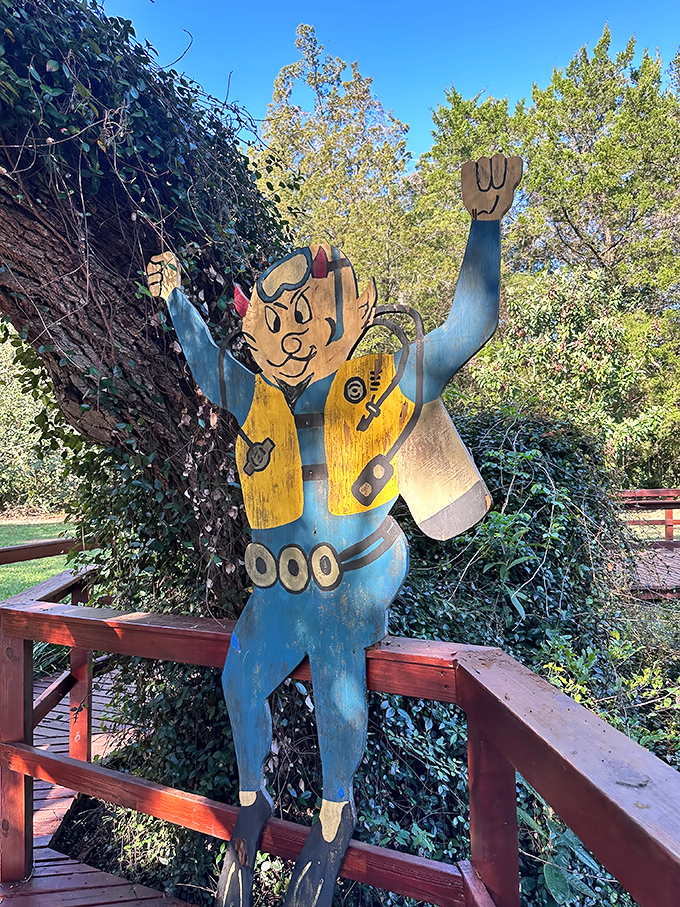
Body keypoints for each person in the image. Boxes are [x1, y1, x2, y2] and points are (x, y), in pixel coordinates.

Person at [147, 153, 522, 907]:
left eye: (301, 316)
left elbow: (467, 327)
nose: (286, 335)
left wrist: (485, 225)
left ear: (349, 306)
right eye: (272, 321)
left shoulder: (377, 381)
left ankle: (332, 809)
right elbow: (207, 366)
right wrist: (178, 300)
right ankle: (252, 800)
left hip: (352, 574)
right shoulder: (258, 400)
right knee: (239, 675)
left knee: (337, 656)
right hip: (280, 587)